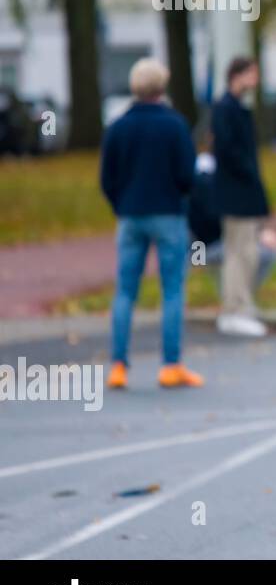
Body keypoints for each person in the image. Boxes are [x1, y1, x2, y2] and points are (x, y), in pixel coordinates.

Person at [98, 58, 203, 389]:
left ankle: (118, 365)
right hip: (168, 213)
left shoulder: (118, 127)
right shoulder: (175, 126)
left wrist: (121, 204)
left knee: (126, 290)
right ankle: (171, 365)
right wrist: (180, 195)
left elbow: (107, 177)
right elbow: (189, 174)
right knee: (172, 289)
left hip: (130, 216)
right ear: (163, 86)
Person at [212, 56, 271, 337]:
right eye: (251, 74)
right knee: (239, 252)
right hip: (237, 194)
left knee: (246, 251)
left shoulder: (233, 109)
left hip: (242, 192)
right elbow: (229, 151)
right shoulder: (226, 110)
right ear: (238, 75)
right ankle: (235, 308)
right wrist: (248, 175)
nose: (255, 81)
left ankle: (241, 304)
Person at [189, 151, 276, 295]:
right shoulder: (214, 186)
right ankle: (239, 296)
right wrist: (258, 235)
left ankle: (232, 295)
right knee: (266, 252)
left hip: (196, 250)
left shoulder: (188, 186)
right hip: (209, 249)